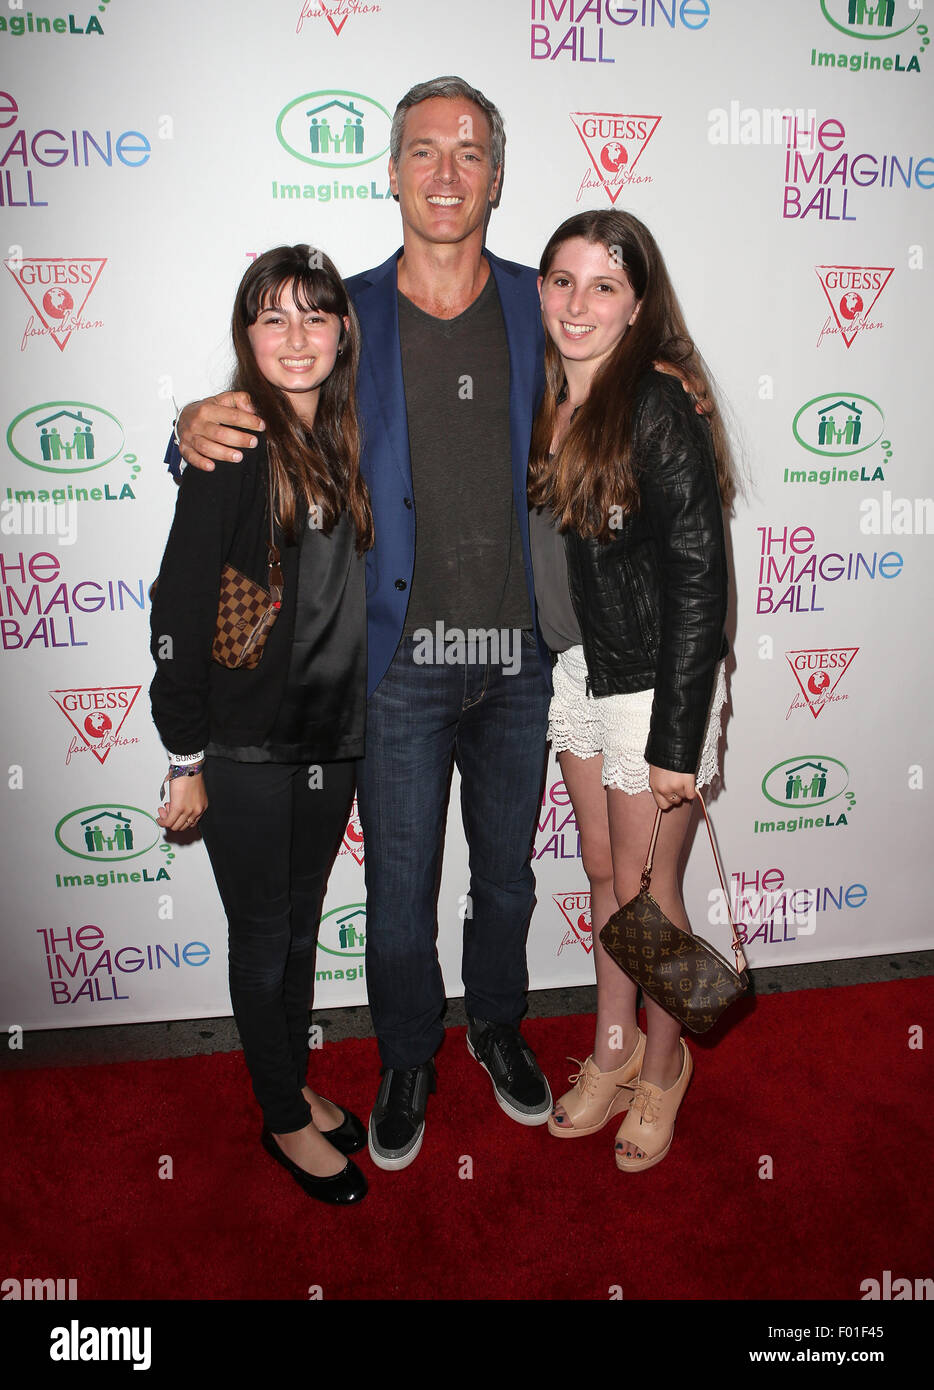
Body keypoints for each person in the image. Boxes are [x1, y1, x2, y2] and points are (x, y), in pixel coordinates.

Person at [167, 78, 554, 1171]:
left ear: (495, 175)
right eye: (421, 150)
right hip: (394, 665)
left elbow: (627, 379)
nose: (444, 171)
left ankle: (497, 1024)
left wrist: (685, 386)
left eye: (468, 152)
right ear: (389, 171)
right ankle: (405, 1054)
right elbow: (257, 412)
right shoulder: (348, 313)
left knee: (510, 876)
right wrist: (184, 429)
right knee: (397, 884)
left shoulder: (542, 303)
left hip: (517, 656)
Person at [150, 245, 374, 1204]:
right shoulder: (230, 444)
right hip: (242, 745)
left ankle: (293, 1080)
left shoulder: (350, 436)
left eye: (314, 316)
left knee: (299, 925)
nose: (296, 336)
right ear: (247, 335)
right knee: (262, 932)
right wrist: (184, 754)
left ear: (341, 332)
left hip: (334, 735)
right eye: (273, 317)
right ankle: (279, 1114)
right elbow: (178, 601)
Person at [527, 209, 735, 1171]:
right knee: (606, 880)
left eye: (602, 285)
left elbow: (700, 576)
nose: (578, 302)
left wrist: (676, 744)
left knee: (651, 894)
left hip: (656, 685)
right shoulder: (546, 393)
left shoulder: (656, 401)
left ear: (637, 304)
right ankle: (609, 1051)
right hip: (581, 668)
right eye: (561, 280)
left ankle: (663, 1067)